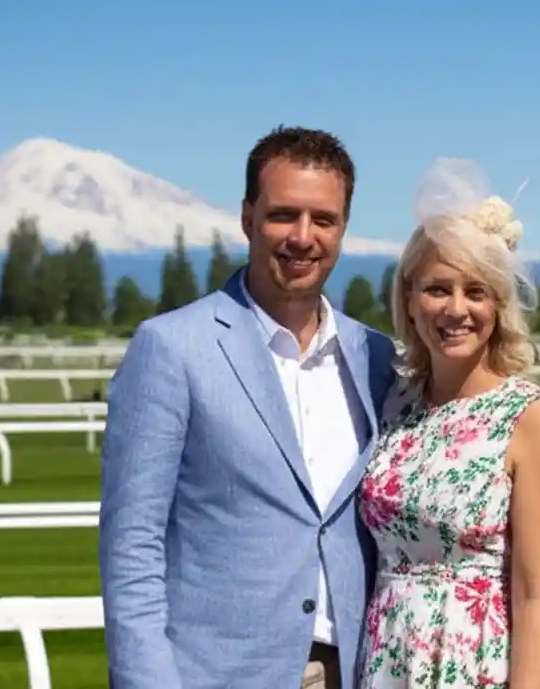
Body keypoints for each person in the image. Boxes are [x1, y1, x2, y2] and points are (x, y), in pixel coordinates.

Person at [99, 125, 398, 689]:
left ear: (343, 229)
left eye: (323, 220)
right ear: (247, 217)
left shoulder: (376, 356)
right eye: (284, 214)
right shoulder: (169, 347)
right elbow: (130, 547)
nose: (302, 237)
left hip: (358, 671)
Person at [358, 158, 540, 688]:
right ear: (409, 299)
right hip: (389, 662)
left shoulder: (531, 420)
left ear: (498, 305)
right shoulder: (394, 408)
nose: (455, 309)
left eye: (475, 291)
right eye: (438, 288)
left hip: (482, 666)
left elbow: (539, 596)